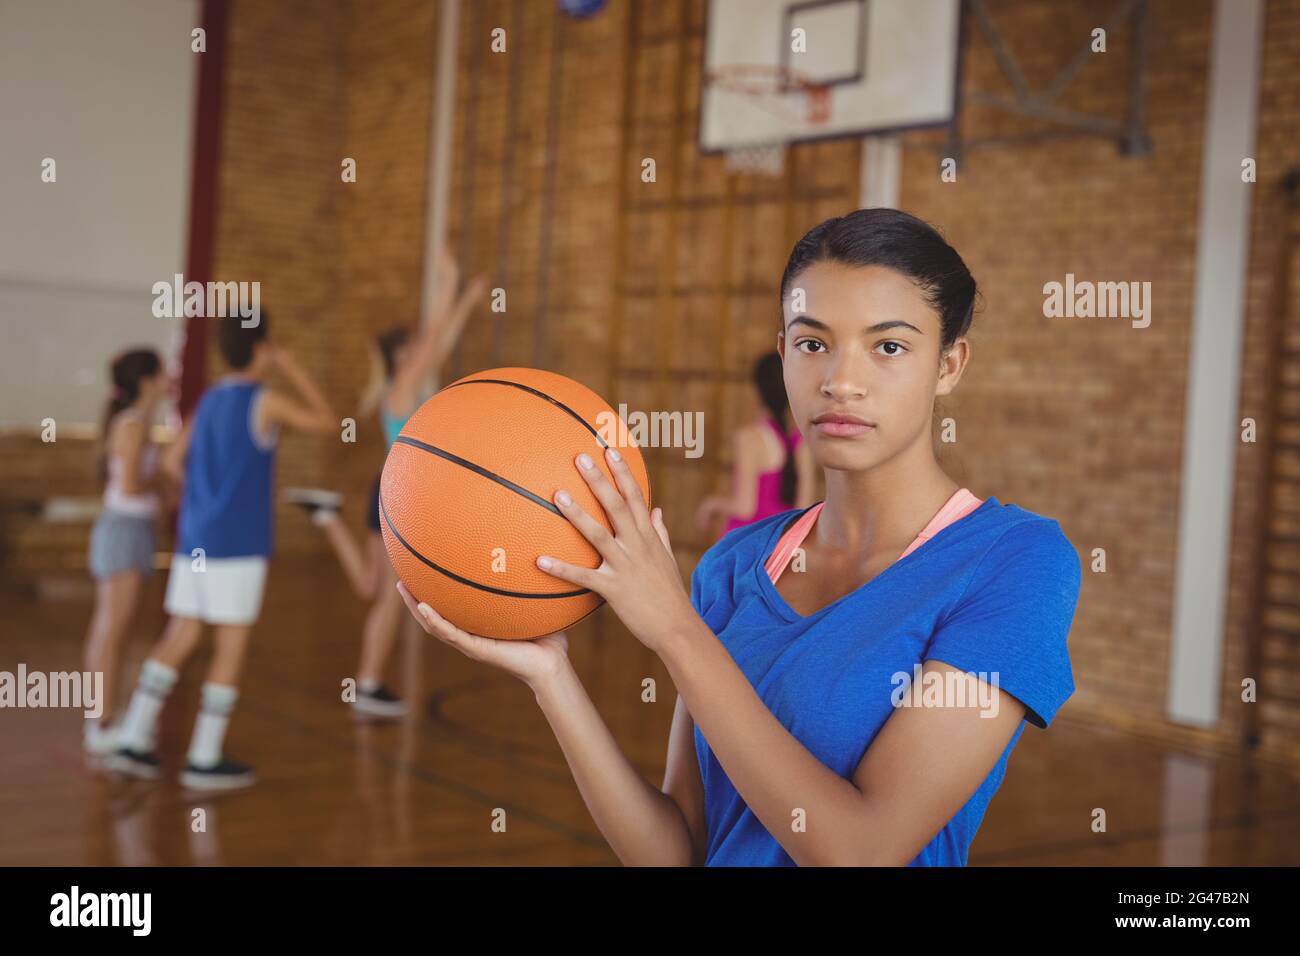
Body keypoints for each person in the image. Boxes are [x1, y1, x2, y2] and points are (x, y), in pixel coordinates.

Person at [393, 207, 1082, 866]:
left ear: (950, 365)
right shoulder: (734, 566)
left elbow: (861, 852)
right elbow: (677, 851)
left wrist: (676, 632)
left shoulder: (1014, 562)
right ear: (783, 354)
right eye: (813, 343)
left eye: (889, 347)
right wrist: (552, 677)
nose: (841, 381)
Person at [112, 309, 336, 790]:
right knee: (229, 646)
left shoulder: (209, 400)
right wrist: (291, 367)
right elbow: (328, 421)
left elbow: (172, 461)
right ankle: (204, 758)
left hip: (196, 538)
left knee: (181, 635)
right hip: (237, 544)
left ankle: (132, 736)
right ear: (261, 349)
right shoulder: (266, 399)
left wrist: (210, 493)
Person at [287, 250, 487, 717]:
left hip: (386, 490)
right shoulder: (403, 386)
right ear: (403, 356)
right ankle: (369, 683)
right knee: (393, 598)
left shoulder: (405, 386)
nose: (426, 349)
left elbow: (441, 338)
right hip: (400, 496)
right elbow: (438, 337)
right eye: (415, 346)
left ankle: (326, 517)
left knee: (370, 588)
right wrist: (451, 283)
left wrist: (465, 299)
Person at [82, 348, 171, 757]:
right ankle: (100, 723)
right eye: (163, 372)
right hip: (123, 529)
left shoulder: (138, 423)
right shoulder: (132, 425)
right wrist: (165, 479)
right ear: (148, 380)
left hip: (132, 530)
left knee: (115, 629)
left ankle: (104, 718)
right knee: (111, 631)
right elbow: (134, 485)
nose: (170, 376)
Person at [695, 352, 817, 539]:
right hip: (780, 548)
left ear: (758, 390)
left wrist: (711, 504)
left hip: (746, 544)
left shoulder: (750, 438)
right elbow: (803, 509)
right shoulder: (801, 442)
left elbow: (745, 508)